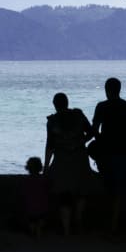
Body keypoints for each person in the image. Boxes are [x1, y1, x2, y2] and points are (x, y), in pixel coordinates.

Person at [91, 77, 126, 234]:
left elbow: (94, 131)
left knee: (107, 189)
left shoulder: (101, 107)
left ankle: (107, 223)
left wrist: (102, 139)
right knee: (118, 192)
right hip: (123, 154)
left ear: (107, 90)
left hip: (105, 155)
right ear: (119, 89)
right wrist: (125, 131)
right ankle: (114, 225)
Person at [43, 92, 94, 235]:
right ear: (67, 103)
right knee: (81, 192)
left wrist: (46, 167)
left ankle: (66, 230)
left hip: (62, 159)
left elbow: (50, 146)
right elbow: (91, 132)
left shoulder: (52, 121)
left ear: (55, 105)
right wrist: (80, 142)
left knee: (64, 194)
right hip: (79, 157)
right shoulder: (78, 115)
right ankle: (78, 221)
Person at [22, 157, 49, 238]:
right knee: (41, 218)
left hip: (30, 205)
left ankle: (32, 230)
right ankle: (39, 231)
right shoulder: (43, 179)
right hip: (42, 204)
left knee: (32, 219)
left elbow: (24, 193)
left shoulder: (26, 180)